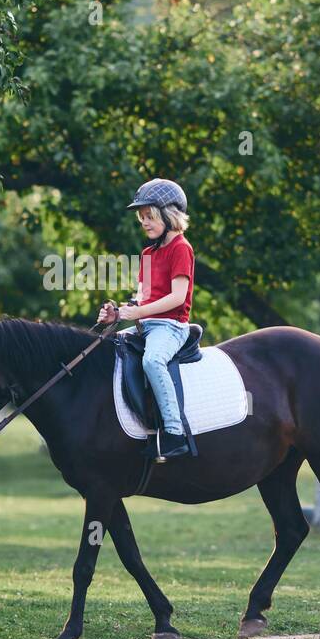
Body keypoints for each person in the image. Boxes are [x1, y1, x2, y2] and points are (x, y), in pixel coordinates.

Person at [97, 178, 194, 459]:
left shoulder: (181, 248)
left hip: (171, 326)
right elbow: (143, 297)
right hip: (147, 325)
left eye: (149, 217)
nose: (145, 224)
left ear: (168, 214)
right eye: (141, 220)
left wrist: (138, 312)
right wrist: (118, 313)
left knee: (153, 360)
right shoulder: (148, 253)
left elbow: (177, 297)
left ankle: (174, 433)